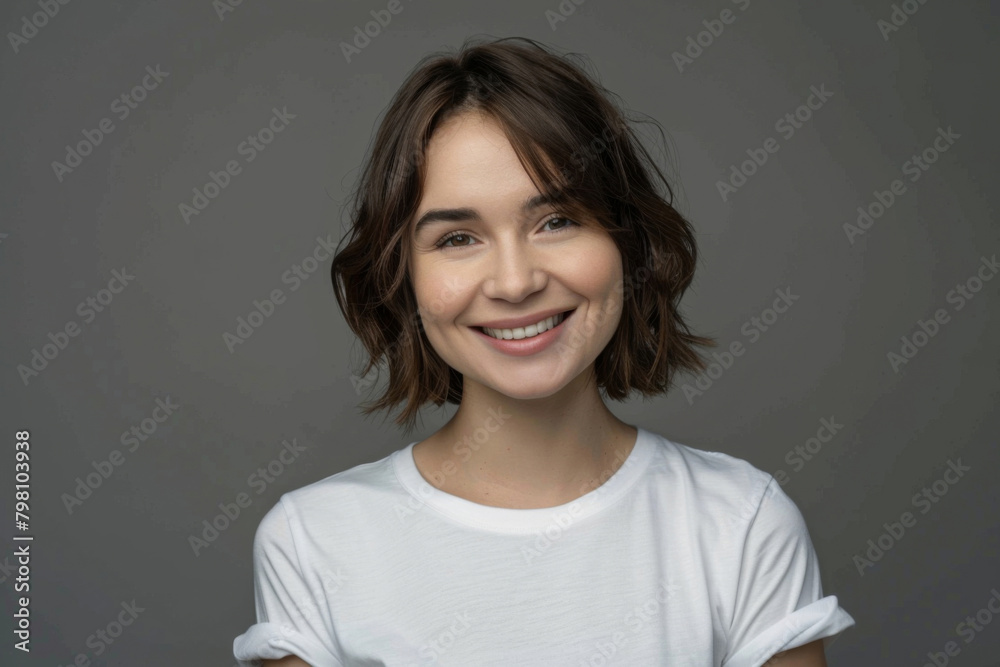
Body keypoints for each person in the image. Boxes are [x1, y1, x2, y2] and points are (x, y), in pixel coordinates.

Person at [233, 36, 855, 667]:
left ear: (626, 242)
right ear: (404, 278)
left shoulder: (740, 525)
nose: (515, 282)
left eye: (556, 221)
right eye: (457, 238)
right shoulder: (312, 542)